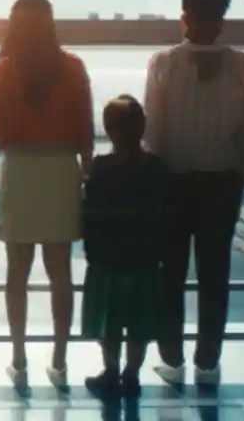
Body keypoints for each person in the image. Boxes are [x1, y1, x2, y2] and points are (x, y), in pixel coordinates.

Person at [145, 0, 244, 387]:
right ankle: (208, 362)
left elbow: (153, 131)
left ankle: (171, 358)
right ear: (221, 21)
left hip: (174, 182)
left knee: (169, 273)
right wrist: (239, 174)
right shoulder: (242, 66)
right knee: (215, 273)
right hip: (221, 182)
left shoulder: (163, 63)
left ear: (184, 19)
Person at [0, 0, 93, 390]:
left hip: (21, 170)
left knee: (17, 272)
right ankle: (60, 359)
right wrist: (85, 166)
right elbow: (84, 125)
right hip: (60, 170)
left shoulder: (1, 73)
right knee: (60, 271)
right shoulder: (73, 68)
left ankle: (18, 356)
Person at [81, 96, 169, 398]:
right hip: (144, 259)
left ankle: (110, 371)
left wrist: (92, 250)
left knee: (110, 321)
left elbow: (89, 214)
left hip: (107, 259)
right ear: (142, 128)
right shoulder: (156, 168)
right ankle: (132, 373)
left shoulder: (101, 168)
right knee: (138, 323)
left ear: (108, 129)